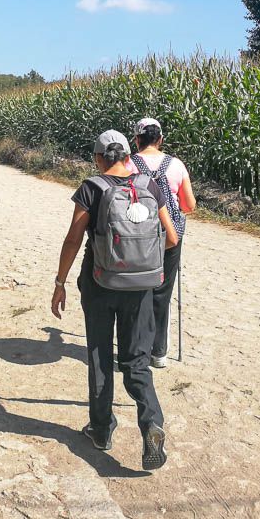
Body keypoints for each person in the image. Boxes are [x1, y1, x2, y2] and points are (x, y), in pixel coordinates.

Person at [51, 129, 179, 470]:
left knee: (100, 355)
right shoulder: (149, 186)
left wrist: (60, 282)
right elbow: (171, 238)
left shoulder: (92, 188)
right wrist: (143, 259)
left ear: (98, 158)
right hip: (141, 287)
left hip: (101, 283)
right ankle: (151, 423)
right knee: (137, 361)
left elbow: (73, 239)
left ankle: (102, 428)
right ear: (127, 156)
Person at [127, 117, 197, 368]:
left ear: (137, 140)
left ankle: (137, 348)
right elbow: (189, 205)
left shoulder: (128, 163)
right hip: (170, 236)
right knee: (162, 291)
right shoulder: (176, 165)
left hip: (137, 235)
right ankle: (159, 352)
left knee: (137, 289)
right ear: (160, 139)